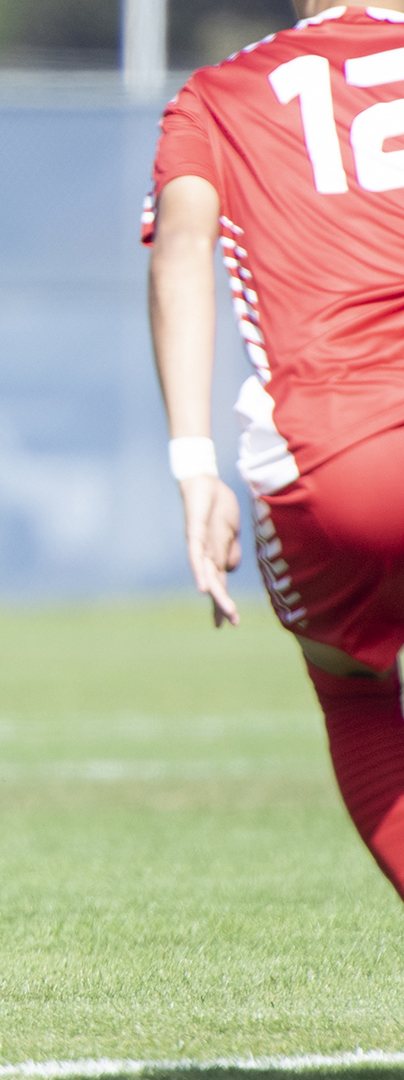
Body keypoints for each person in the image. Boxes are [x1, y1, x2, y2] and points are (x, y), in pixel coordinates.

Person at [147, 3, 404, 897]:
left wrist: (194, 467)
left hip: (341, 456)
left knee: (354, 683)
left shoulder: (219, 94)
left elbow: (180, 253)